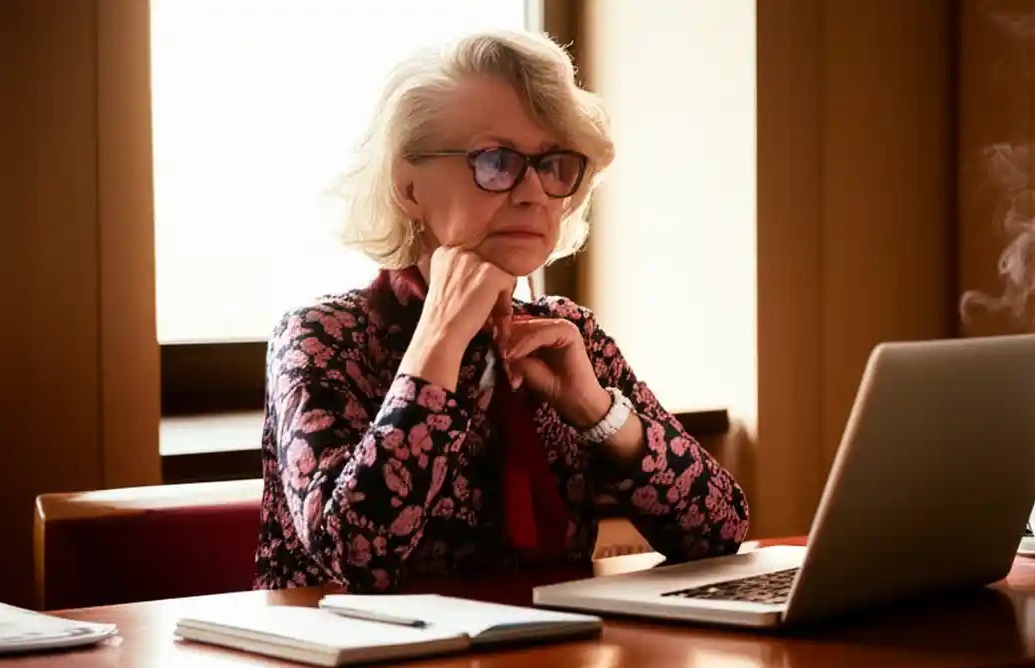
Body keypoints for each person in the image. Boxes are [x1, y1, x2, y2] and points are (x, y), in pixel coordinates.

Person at [253, 29, 750, 592]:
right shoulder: (321, 337)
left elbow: (721, 528)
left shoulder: (568, 335)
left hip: (551, 663)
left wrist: (595, 409)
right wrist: (439, 339)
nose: (535, 193)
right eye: (496, 161)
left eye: (555, 164)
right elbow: (355, 555)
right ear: (408, 187)